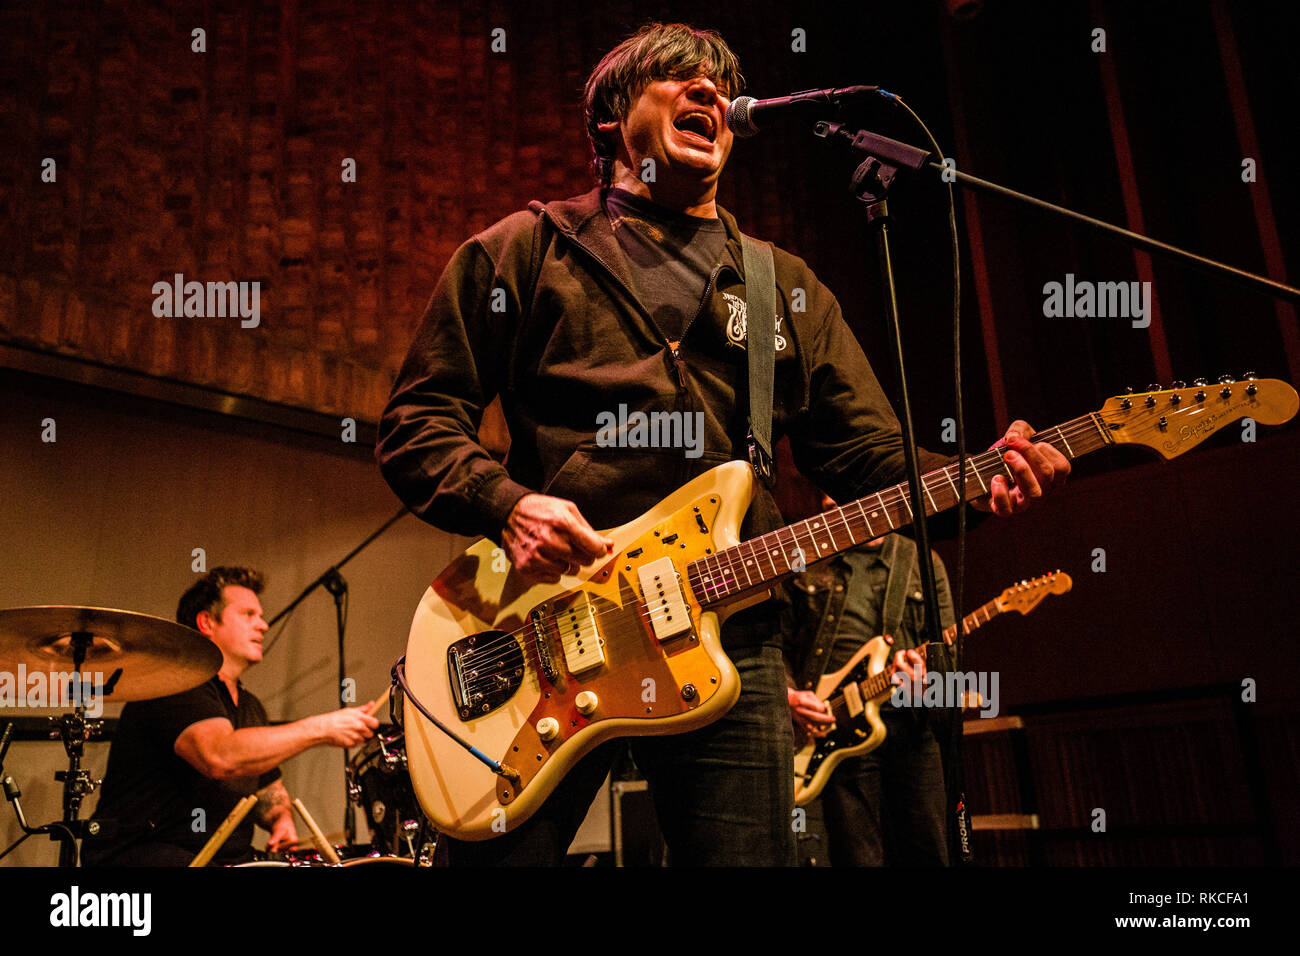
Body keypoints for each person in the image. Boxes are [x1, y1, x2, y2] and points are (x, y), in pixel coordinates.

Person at [376, 22, 1067, 866]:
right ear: (609, 121)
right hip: (544, 633)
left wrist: (981, 477)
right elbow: (417, 424)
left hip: (731, 638)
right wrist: (509, 504)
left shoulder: (786, 287)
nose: (708, 91)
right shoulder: (526, 250)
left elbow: (869, 463)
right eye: (677, 77)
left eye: (718, 83)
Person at [82, 567, 379, 866]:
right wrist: (321, 728)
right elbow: (218, 755)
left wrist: (281, 819)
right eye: (249, 614)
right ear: (207, 622)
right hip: (142, 853)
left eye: (260, 616)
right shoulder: (176, 685)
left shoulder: (250, 707)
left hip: (223, 860)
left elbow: (265, 790)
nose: (263, 625)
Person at [783, 499, 957, 866]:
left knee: (930, 850)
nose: (829, 500)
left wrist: (928, 678)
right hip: (837, 726)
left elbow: (948, 659)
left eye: (842, 491)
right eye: (826, 492)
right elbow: (779, 645)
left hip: (912, 724)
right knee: (858, 856)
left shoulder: (921, 560)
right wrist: (789, 696)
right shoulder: (807, 562)